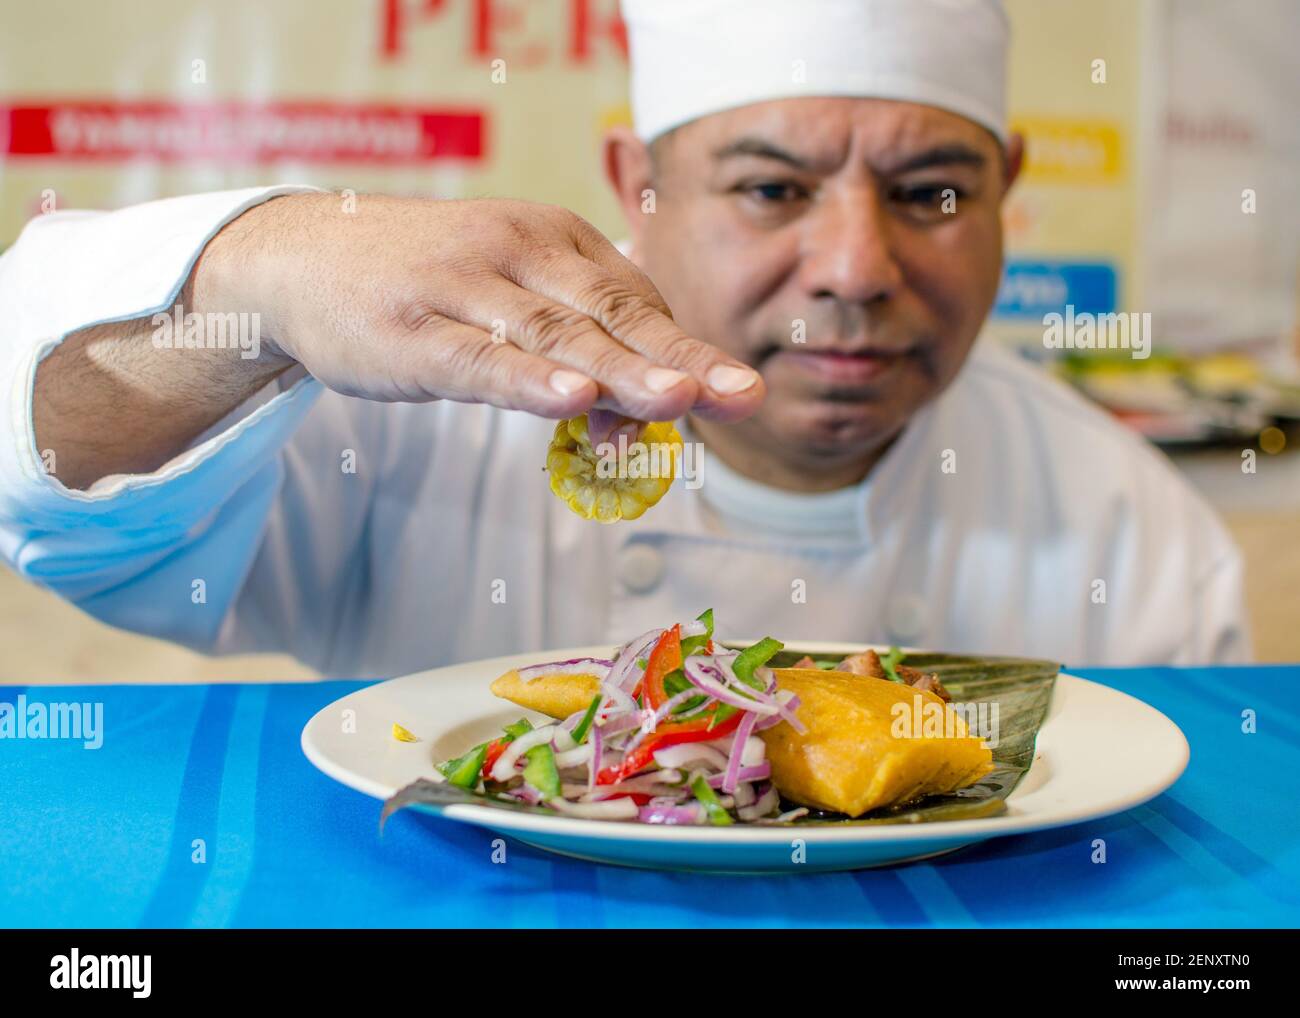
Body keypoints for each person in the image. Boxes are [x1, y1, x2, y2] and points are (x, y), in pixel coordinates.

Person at [0, 0, 1248, 676]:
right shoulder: (408, 440)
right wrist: (254, 276)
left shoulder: (1129, 531)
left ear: (1005, 188)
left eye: (932, 193)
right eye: (770, 190)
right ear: (636, 186)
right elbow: (65, 506)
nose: (859, 269)